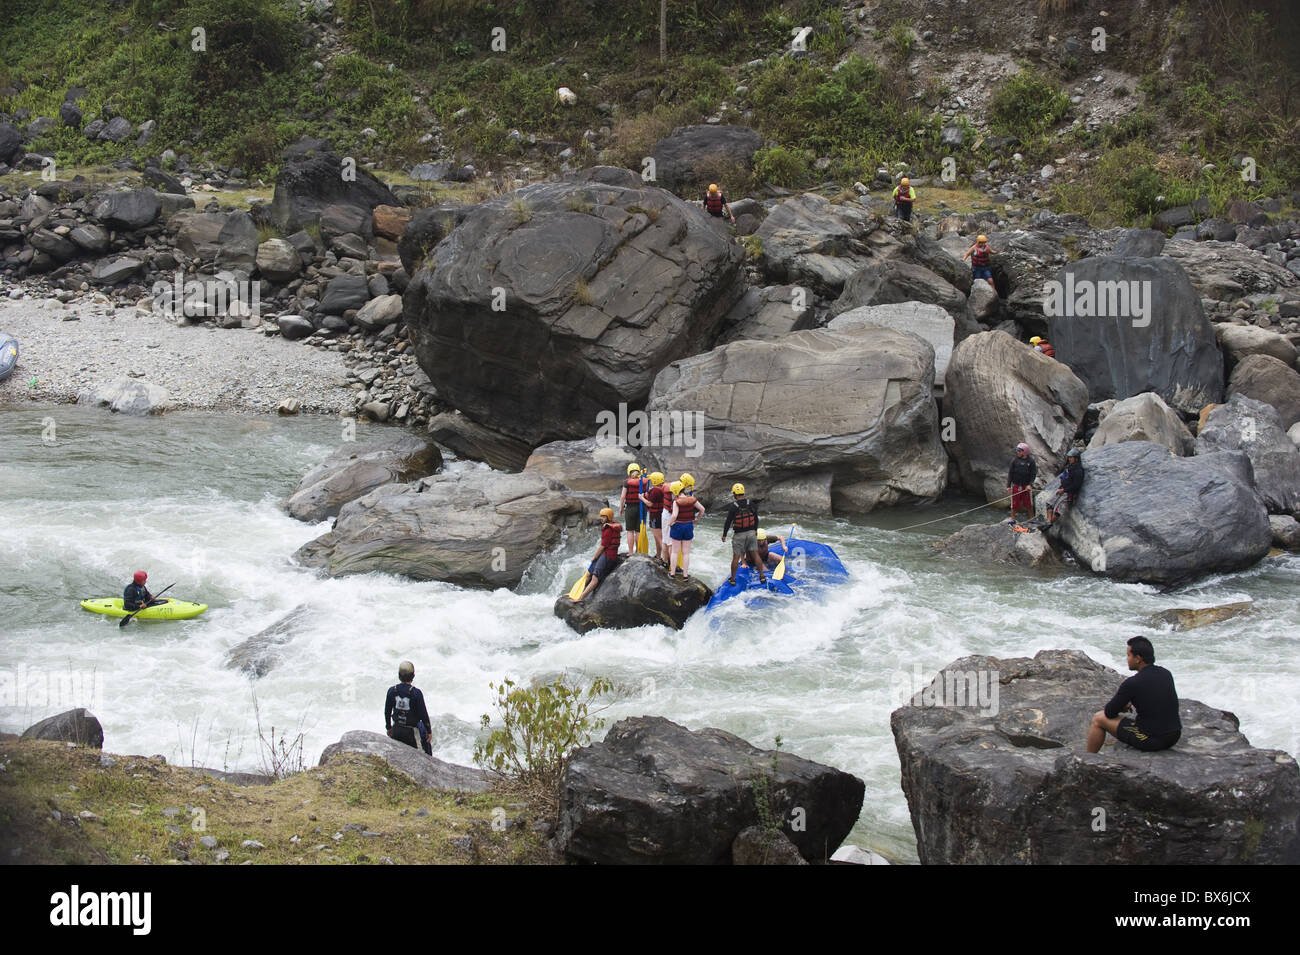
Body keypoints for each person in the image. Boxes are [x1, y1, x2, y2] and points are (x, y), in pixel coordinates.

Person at [1086, 637, 1181, 753]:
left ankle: (1088, 759)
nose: (1127, 659)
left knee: (1098, 718)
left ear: (1138, 659)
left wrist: (1123, 706)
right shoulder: (1166, 673)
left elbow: (1109, 712)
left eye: (1128, 655)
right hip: (1174, 736)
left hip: (1151, 740)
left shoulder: (1132, 683)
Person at [721, 483, 765, 586]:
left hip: (739, 535)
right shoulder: (751, 504)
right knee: (755, 554)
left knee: (736, 557)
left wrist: (724, 535)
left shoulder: (733, 507)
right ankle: (762, 576)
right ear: (743, 493)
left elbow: (728, 521)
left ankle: (732, 579)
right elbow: (756, 518)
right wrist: (755, 530)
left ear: (735, 494)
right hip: (751, 534)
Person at [575, 507, 623, 602]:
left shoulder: (608, 529)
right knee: (588, 574)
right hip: (604, 554)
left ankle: (581, 598)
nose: (601, 518)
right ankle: (577, 592)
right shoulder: (611, 525)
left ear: (608, 517)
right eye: (601, 516)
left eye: (603, 517)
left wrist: (594, 557)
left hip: (608, 556)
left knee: (594, 578)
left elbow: (602, 546)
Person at [385, 660, 433, 755]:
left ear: (399, 675)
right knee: (424, 754)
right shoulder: (416, 693)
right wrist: (429, 731)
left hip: (396, 729)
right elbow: (423, 715)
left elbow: (387, 711)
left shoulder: (392, 691)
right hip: (412, 731)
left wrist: (388, 727)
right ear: (413, 676)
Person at [667, 473, 705, 579]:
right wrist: (697, 519)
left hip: (677, 526)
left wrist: (670, 523)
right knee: (686, 553)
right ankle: (685, 575)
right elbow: (702, 510)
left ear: (675, 491)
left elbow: (674, 515)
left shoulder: (676, 502)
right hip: (688, 526)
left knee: (675, 551)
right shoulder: (692, 499)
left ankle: (673, 573)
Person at [1047, 448, 1085, 525]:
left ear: (1076, 458)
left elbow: (1076, 485)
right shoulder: (1069, 467)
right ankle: (1048, 521)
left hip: (1069, 493)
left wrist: (1064, 490)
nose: (1069, 459)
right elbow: (1064, 476)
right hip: (1061, 489)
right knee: (1049, 503)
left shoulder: (1079, 471)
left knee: (1058, 511)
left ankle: (1050, 523)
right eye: (1069, 457)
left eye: (1071, 457)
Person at [639, 471, 669, 564]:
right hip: (661, 515)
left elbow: (649, 503)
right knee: (657, 538)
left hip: (655, 516)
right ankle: (658, 555)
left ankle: (666, 560)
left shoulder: (655, 490)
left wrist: (641, 497)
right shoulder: (663, 489)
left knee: (660, 539)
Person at [1006, 442, 1037, 523]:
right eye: (1018, 451)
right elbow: (1010, 473)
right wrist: (1008, 485)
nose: (1018, 452)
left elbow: (1033, 474)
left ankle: (1032, 519)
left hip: (1026, 486)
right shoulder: (1015, 460)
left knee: (1028, 504)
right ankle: (1012, 519)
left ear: (1025, 452)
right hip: (1016, 485)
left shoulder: (1031, 461)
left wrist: (1030, 484)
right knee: (1014, 503)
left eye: (1019, 451)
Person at [619, 462, 645, 554]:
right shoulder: (643, 481)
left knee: (630, 531)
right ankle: (638, 551)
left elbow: (622, 496)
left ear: (629, 472)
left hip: (630, 508)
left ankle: (630, 552)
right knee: (638, 531)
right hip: (641, 508)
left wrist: (621, 508)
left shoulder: (627, 482)